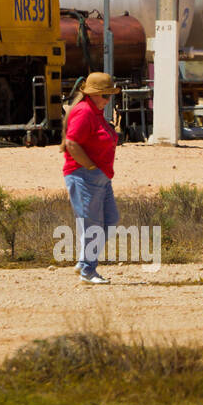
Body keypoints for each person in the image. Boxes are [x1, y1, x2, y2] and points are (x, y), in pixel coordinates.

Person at [61, 72, 122, 284]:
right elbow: (72, 143)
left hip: (100, 178)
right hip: (84, 176)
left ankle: (85, 261)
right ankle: (88, 270)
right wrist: (91, 166)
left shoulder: (95, 112)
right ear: (93, 94)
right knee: (92, 224)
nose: (107, 100)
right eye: (104, 95)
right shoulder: (84, 112)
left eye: (109, 96)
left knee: (110, 220)